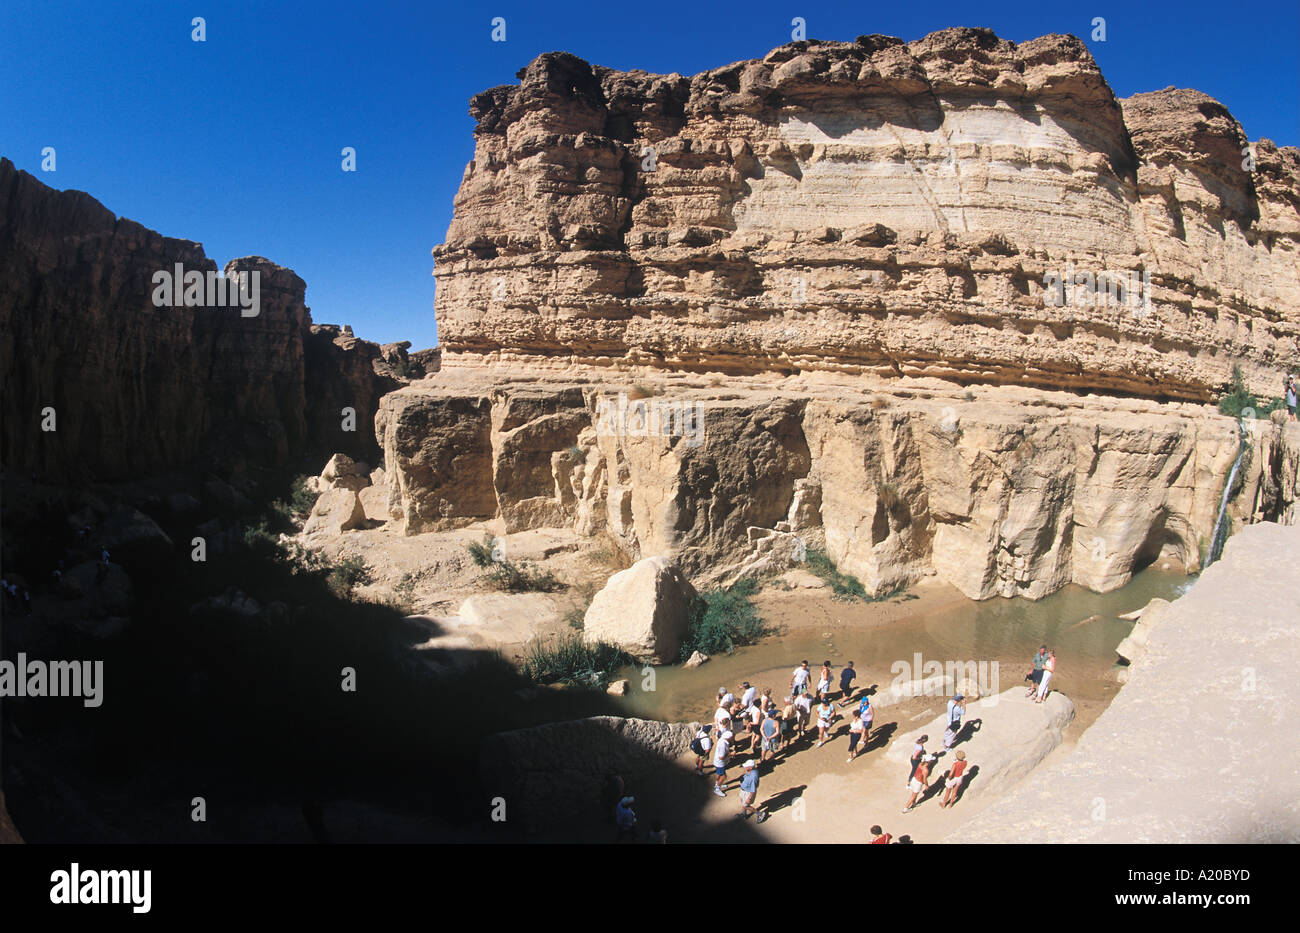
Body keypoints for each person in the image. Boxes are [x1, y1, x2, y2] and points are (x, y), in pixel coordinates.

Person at [713, 730, 732, 797]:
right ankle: (717, 789)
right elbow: (721, 757)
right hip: (720, 763)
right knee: (724, 776)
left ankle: (717, 784)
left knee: (718, 773)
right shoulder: (723, 744)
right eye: (731, 737)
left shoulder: (721, 740)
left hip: (717, 762)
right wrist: (731, 754)